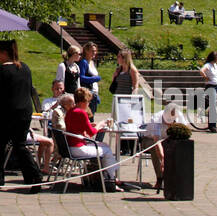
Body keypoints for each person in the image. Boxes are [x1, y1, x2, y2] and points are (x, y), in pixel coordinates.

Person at [0, 39, 43, 191]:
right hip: (24, 110)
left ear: (4, 53)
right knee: (20, 145)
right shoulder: (25, 68)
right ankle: (32, 175)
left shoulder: (1, 70)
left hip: (6, 112)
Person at [110, 49, 163, 189]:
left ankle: (129, 147)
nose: (118, 59)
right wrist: (115, 77)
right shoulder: (119, 69)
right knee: (116, 127)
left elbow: (135, 86)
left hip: (127, 102)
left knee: (128, 126)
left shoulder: (132, 70)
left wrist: (131, 99)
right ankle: (120, 149)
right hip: (117, 100)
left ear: (124, 57)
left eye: (119, 56)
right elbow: (113, 85)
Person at [63, 87, 117, 189]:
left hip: (69, 146)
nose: (89, 104)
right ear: (83, 101)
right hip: (77, 148)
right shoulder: (81, 112)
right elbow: (91, 133)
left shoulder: (71, 111)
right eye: (88, 101)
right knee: (107, 150)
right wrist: (101, 124)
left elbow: (78, 126)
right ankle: (111, 179)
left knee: (104, 146)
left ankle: (108, 176)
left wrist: (91, 124)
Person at [199, 51, 217, 133]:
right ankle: (212, 127)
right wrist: (206, 77)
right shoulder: (208, 65)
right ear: (214, 58)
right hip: (210, 87)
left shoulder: (215, 65)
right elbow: (201, 71)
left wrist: (216, 78)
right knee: (213, 105)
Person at [80, 43, 103, 114]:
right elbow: (81, 77)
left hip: (94, 91)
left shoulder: (92, 62)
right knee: (89, 114)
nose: (94, 53)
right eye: (92, 51)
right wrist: (96, 79)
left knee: (93, 113)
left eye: (95, 51)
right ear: (86, 51)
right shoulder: (83, 62)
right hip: (88, 91)